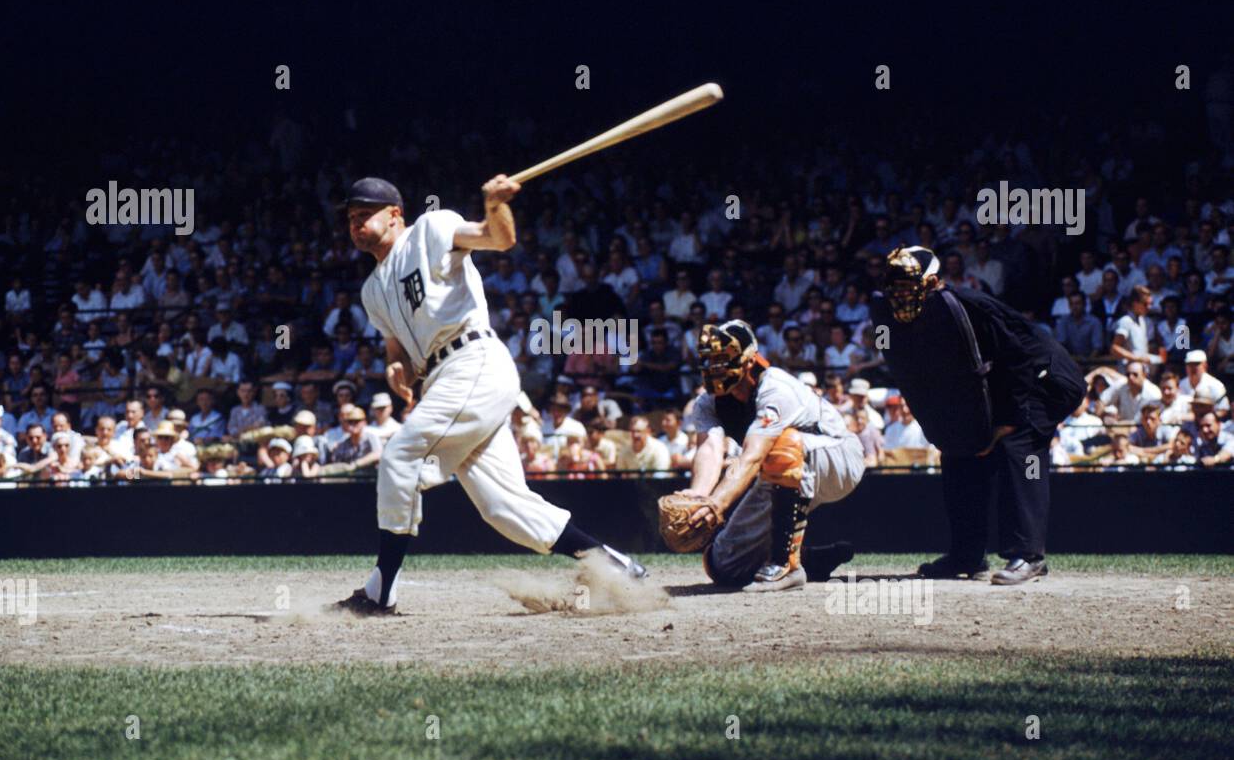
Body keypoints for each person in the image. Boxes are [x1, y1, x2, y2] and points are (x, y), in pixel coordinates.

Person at [331, 175, 645, 617]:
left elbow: (499, 238)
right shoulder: (371, 290)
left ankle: (381, 589)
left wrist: (496, 204)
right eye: (351, 217)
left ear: (395, 214)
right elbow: (396, 352)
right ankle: (617, 567)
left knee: (400, 456)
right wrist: (396, 370)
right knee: (504, 508)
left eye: (365, 213)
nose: (356, 223)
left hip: (473, 360)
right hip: (446, 379)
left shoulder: (431, 229)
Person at [872, 247, 1084, 585]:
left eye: (906, 284)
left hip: (1043, 380)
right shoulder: (901, 320)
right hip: (996, 387)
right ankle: (967, 555)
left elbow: (1019, 359)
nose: (899, 292)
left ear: (933, 282)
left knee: (1020, 448)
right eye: (893, 284)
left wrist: (1007, 422)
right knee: (959, 454)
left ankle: (1028, 556)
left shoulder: (970, 307)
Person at [680, 320, 863, 591]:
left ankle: (786, 565)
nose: (715, 369)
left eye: (723, 360)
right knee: (723, 566)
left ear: (749, 361)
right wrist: (698, 499)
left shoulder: (775, 387)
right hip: (781, 468)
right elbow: (709, 448)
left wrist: (715, 505)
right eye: (710, 361)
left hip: (838, 457)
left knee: (783, 445)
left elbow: (753, 456)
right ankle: (812, 561)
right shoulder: (707, 402)